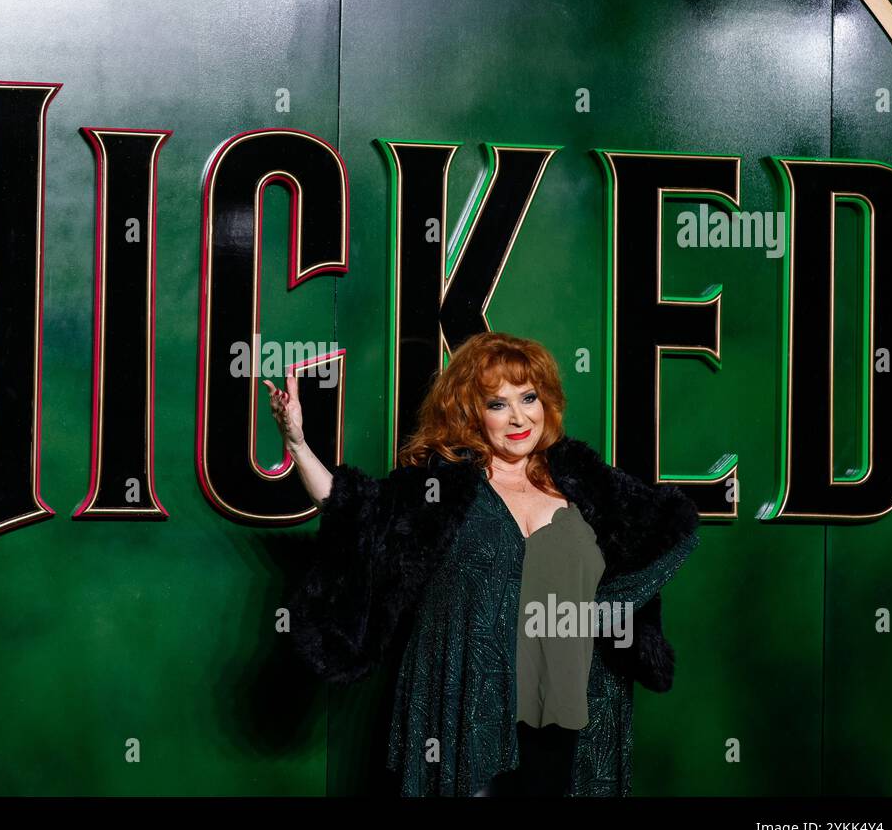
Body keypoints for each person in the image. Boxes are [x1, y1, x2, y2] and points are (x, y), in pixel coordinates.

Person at [264, 331, 699, 796]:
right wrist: (298, 443)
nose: (518, 417)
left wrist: (602, 611)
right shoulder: (442, 488)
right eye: (498, 404)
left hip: (576, 704)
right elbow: (350, 508)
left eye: (528, 398)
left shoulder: (583, 482)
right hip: (468, 704)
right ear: (472, 413)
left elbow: (673, 528)